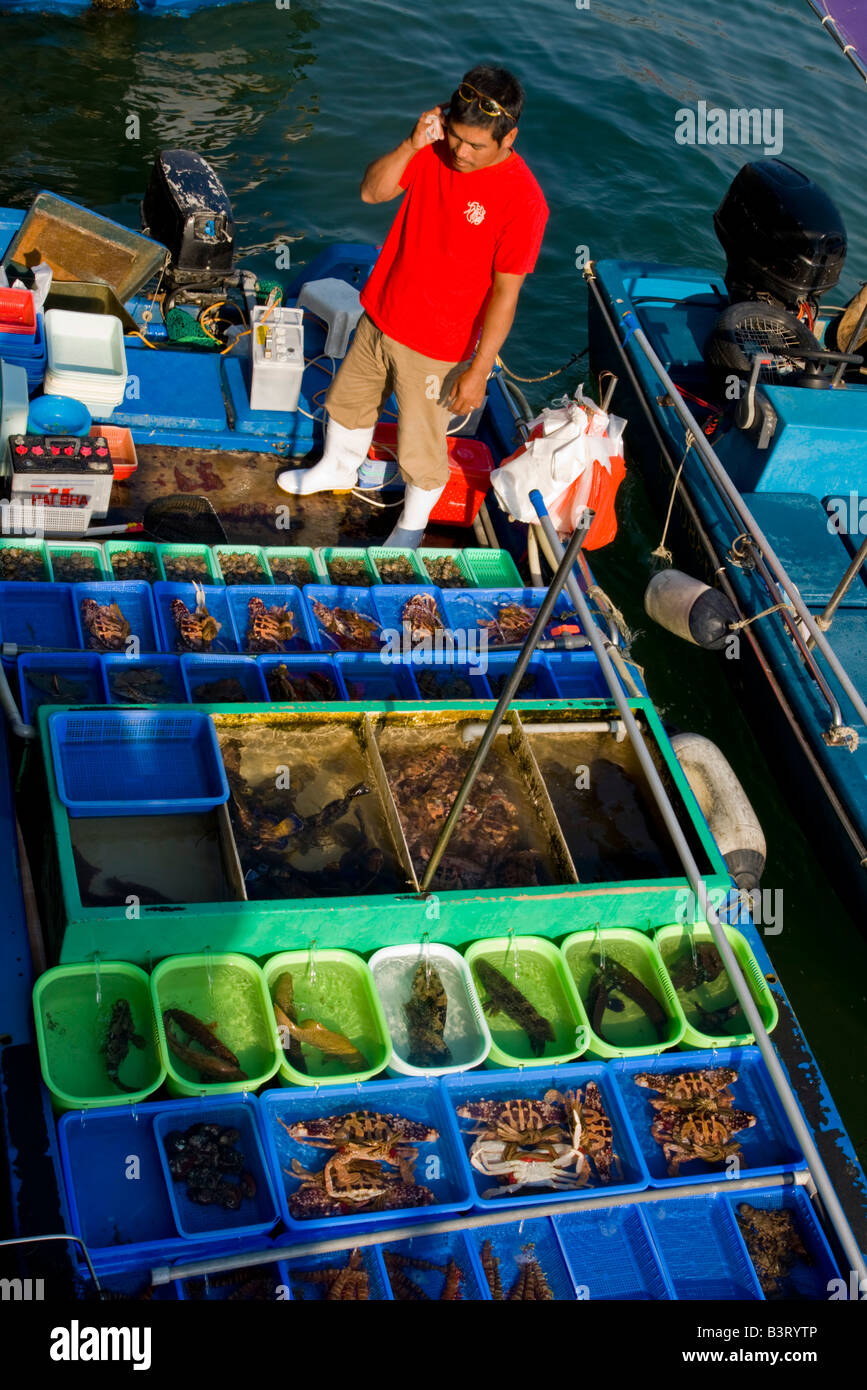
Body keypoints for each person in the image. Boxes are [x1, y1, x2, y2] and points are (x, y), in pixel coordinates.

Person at [278, 63, 549, 546]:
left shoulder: (524, 201)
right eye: (456, 137)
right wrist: (411, 144)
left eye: (476, 145)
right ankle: (337, 467)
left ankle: (411, 526)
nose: (462, 152)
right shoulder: (433, 152)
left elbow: (506, 295)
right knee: (347, 403)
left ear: (509, 138)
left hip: (440, 344)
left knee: (420, 443)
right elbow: (370, 191)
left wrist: (479, 369)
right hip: (381, 313)